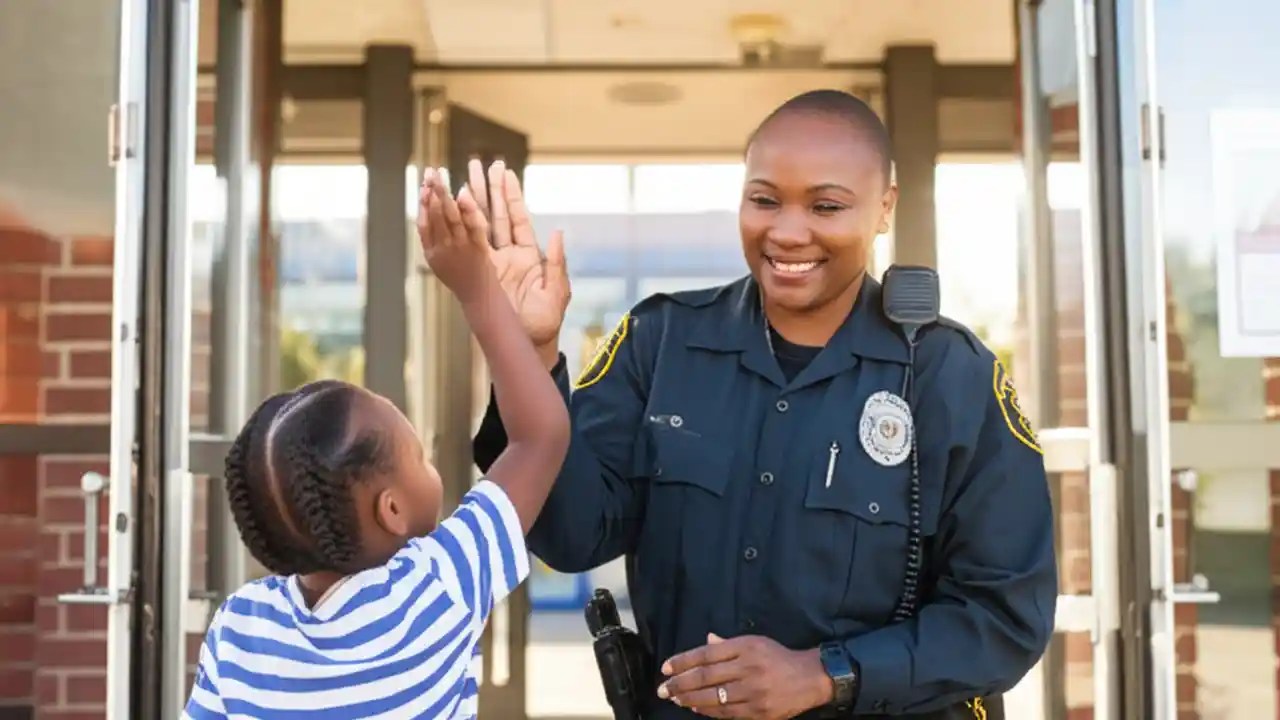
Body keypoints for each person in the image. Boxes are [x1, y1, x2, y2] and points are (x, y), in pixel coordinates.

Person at [470, 88, 1057, 720]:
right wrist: (529, 355)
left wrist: (826, 674)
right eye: (764, 200)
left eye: (826, 205)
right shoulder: (660, 341)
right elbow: (570, 535)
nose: (786, 231)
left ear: (884, 208)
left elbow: (1004, 619)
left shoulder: (952, 377)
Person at [182, 168, 571, 719]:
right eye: (417, 453)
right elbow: (540, 438)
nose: (428, 460)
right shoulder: (431, 591)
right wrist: (477, 287)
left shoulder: (242, 627)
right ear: (392, 510)